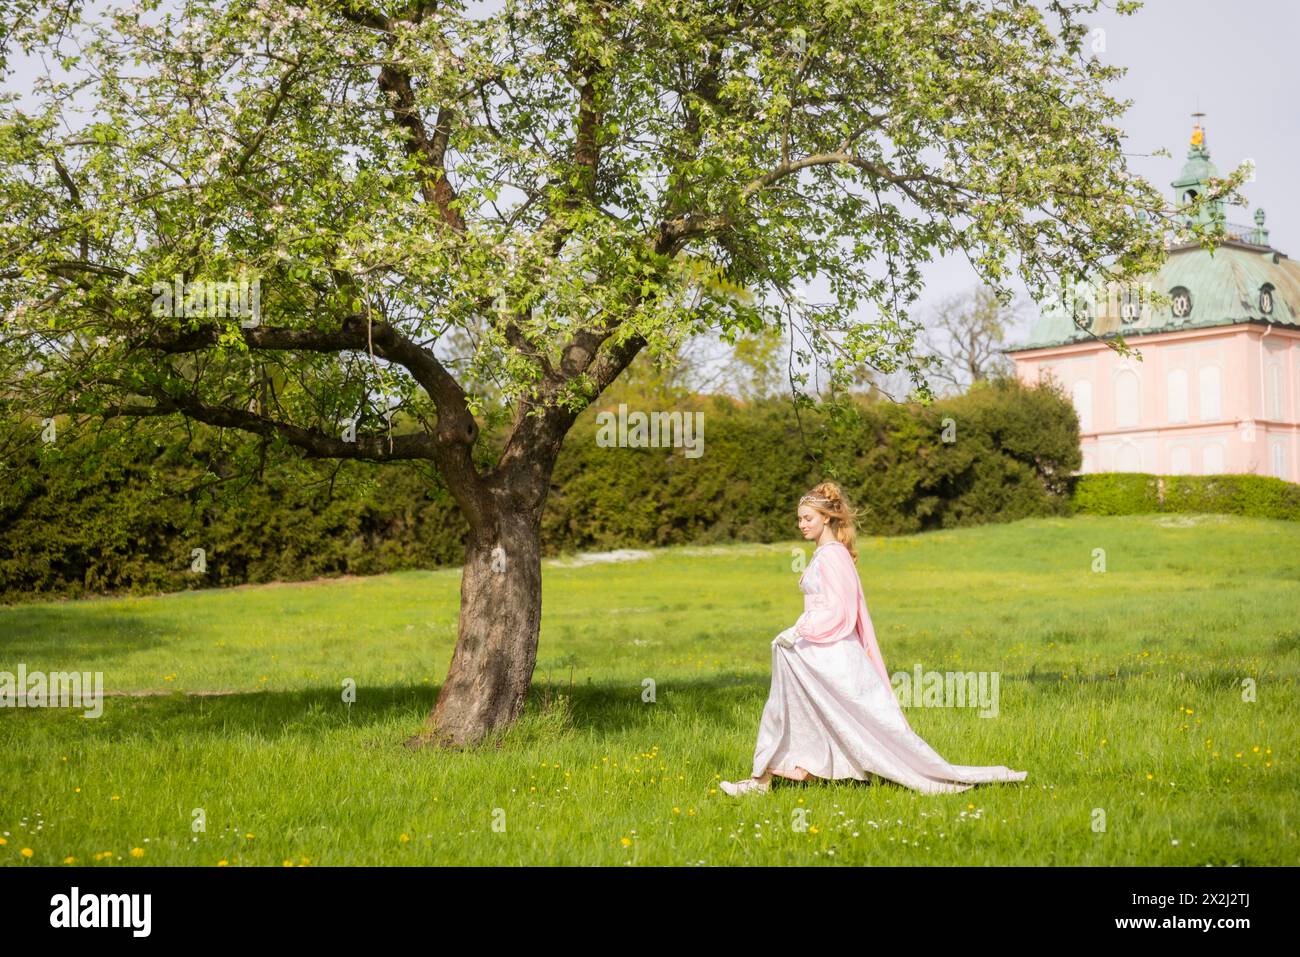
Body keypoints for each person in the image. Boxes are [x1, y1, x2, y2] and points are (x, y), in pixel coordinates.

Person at [720, 482, 1028, 796]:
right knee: (789, 708)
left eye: (808, 518)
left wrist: (799, 631)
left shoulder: (832, 556)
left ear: (826, 518)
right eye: (799, 519)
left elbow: (840, 610)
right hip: (818, 648)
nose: (801, 525)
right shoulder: (827, 554)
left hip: (831, 651)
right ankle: (772, 776)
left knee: (855, 720)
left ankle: (775, 777)